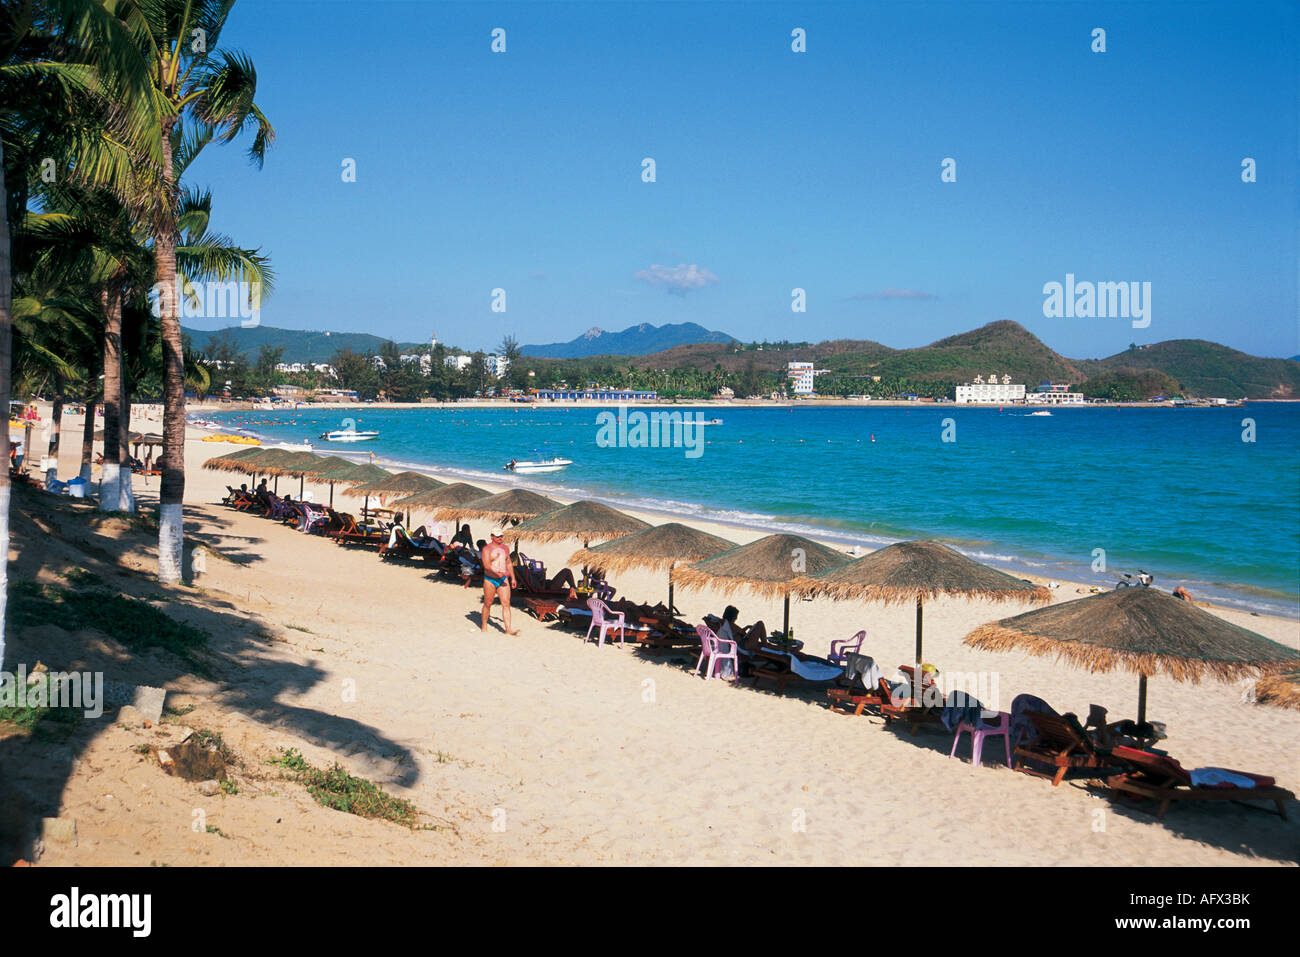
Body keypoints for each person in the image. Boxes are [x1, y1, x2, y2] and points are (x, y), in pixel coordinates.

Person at [480, 531, 519, 635]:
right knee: (488, 603)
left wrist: (513, 578)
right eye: (497, 536)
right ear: (492, 536)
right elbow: (487, 566)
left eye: (501, 536)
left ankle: (508, 629)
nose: (500, 538)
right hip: (490, 579)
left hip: (503, 579)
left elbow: (509, 563)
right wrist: (497, 574)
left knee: (506, 604)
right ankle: (484, 625)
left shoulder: (505, 548)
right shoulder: (486, 549)